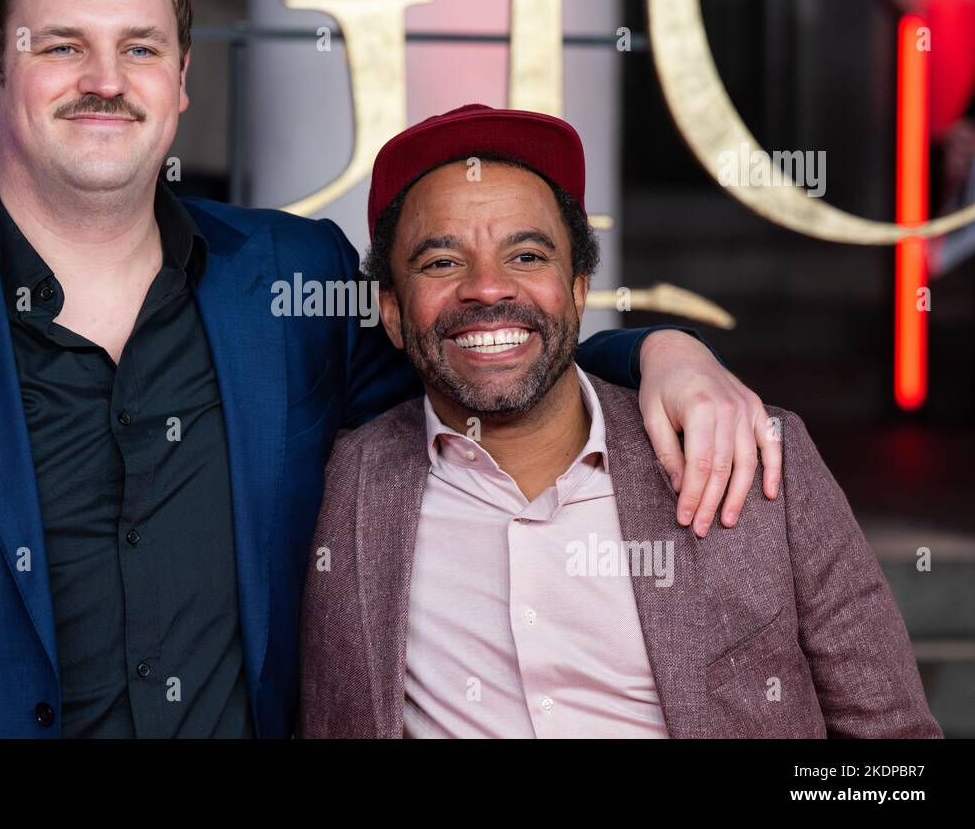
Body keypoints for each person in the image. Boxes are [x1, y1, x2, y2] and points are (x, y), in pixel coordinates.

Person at [0, 0, 777, 739]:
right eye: (59, 45)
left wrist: (658, 354)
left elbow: (477, 358)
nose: (103, 80)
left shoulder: (285, 283)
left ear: (182, 83)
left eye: (140, 47)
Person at [298, 104, 941, 739]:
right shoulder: (338, 487)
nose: (487, 288)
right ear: (390, 309)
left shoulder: (759, 455)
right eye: (442, 262)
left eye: (526, 256)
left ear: (578, 287)